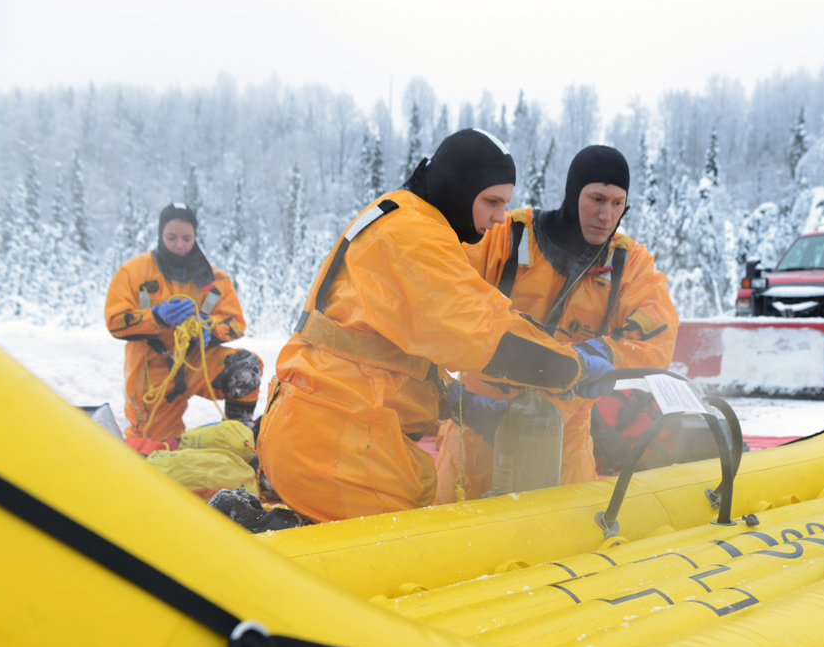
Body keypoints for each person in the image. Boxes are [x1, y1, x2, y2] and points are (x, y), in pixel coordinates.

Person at [256, 129, 615, 523]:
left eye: (505, 204)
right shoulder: (412, 238)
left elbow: (379, 351)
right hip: (338, 450)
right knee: (406, 558)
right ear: (459, 188)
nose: (500, 217)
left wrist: (458, 402)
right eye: (491, 202)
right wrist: (573, 366)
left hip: (322, 434)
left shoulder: (403, 217)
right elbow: (482, 335)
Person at [434, 145, 679, 501]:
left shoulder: (627, 263)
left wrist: (601, 354)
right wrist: (455, 398)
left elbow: (658, 333)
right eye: (597, 199)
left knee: (564, 530)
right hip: (478, 432)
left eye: (617, 203)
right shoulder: (507, 237)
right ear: (573, 193)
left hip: (566, 442)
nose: (606, 215)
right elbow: (436, 309)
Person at [105, 204, 263, 450]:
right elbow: (115, 320)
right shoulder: (134, 272)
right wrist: (156, 317)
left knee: (245, 368)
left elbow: (235, 322)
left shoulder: (215, 279)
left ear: (195, 237)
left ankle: (237, 440)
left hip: (195, 362)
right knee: (156, 450)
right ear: (160, 235)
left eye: (187, 239)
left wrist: (209, 327)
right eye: (172, 238)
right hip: (151, 371)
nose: (179, 245)